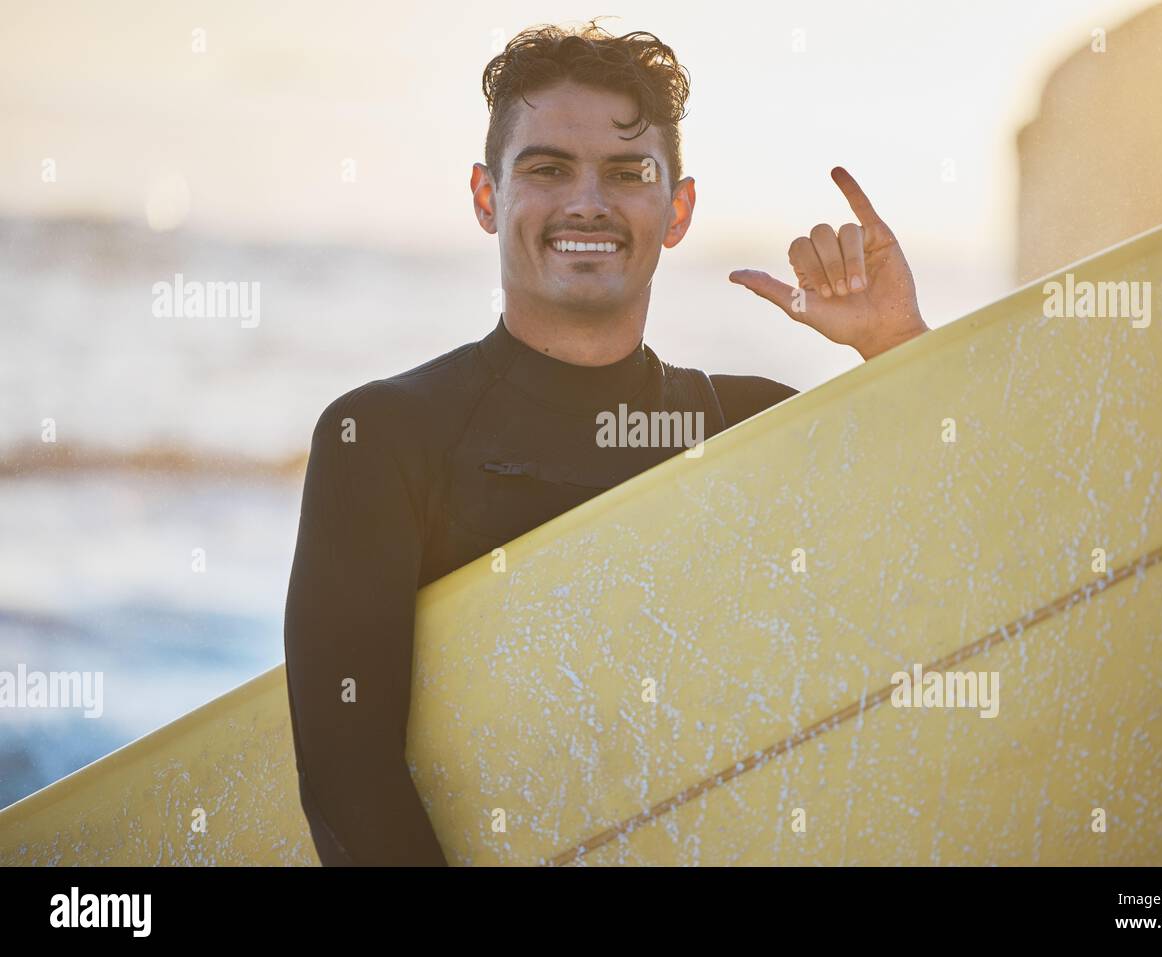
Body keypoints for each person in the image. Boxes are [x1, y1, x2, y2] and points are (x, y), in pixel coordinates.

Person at [283, 21, 929, 866]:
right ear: (487, 198)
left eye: (628, 173)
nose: (587, 202)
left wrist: (900, 344)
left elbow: (960, 544)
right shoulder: (383, 440)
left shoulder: (751, 430)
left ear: (678, 210)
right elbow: (348, 776)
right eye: (548, 168)